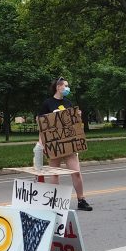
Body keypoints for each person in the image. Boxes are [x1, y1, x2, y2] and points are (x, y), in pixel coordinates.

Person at [38, 76, 92, 211]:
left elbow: (74, 124)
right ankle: (54, 202)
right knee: (54, 173)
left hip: (69, 144)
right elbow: (42, 125)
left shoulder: (68, 103)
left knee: (76, 172)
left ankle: (81, 200)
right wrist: (41, 143)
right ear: (58, 87)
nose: (67, 88)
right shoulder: (47, 104)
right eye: (65, 86)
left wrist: (78, 116)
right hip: (54, 145)